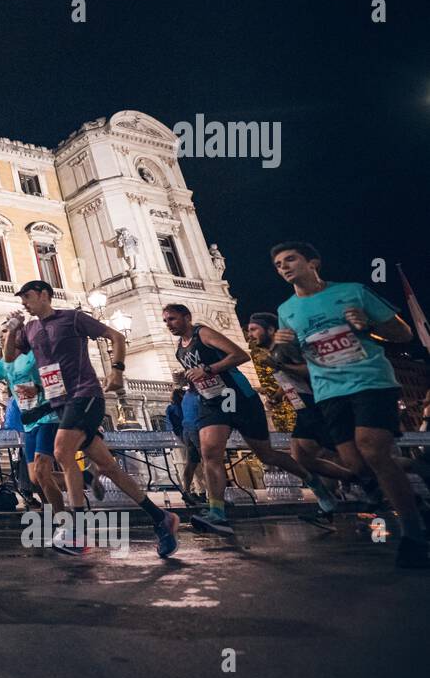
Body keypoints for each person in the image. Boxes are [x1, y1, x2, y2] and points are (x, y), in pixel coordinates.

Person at [271, 240, 427, 568]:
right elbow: (297, 357)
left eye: (291, 259)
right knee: (356, 464)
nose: (284, 267)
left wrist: (368, 325)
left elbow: (403, 334)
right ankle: (415, 494)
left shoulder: (353, 291)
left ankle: (413, 535)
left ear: (313, 263)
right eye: (279, 264)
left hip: (371, 380)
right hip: (329, 390)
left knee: (372, 449)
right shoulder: (287, 311)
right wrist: (281, 348)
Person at [2, 280, 180, 558]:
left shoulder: (72, 318)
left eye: (28, 296)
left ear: (45, 295)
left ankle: (75, 529)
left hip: (85, 396)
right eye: (22, 297)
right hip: (60, 402)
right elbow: (9, 357)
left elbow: (116, 337)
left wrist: (117, 370)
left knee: (61, 451)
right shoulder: (31, 329)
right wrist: (12, 331)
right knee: (108, 467)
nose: (23, 302)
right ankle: (161, 518)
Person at [162, 302, 324, 536]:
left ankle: (314, 482)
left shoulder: (203, 333)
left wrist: (208, 369)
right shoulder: (179, 349)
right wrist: (189, 380)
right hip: (213, 404)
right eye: (166, 321)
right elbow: (201, 375)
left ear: (187, 317)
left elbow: (240, 355)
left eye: (173, 319)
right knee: (209, 454)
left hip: (239, 398)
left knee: (266, 454)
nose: (169, 325)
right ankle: (217, 513)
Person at [246, 312, 366, 517]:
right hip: (303, 408)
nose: (250, 335)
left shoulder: (285, 349)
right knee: (303, 458)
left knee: (355, 457)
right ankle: (344, 491)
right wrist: (276, 395)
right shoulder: (273, 352)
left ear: (271, 330)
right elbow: (290, 380)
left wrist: (278, 366)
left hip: (317, 405)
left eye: (254, 329)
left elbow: (312, 370)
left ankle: (384, 478)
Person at [0, 338, 64, 514]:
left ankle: (63, 520)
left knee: (41, 472)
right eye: (2, 332)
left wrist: (38, 389)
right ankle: (82, 477)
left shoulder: (35, 353)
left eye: (8, 331)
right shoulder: (4, 363)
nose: (5, 335)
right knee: (35, 477)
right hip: (29, 421)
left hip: (48, 417)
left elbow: (57, 381)